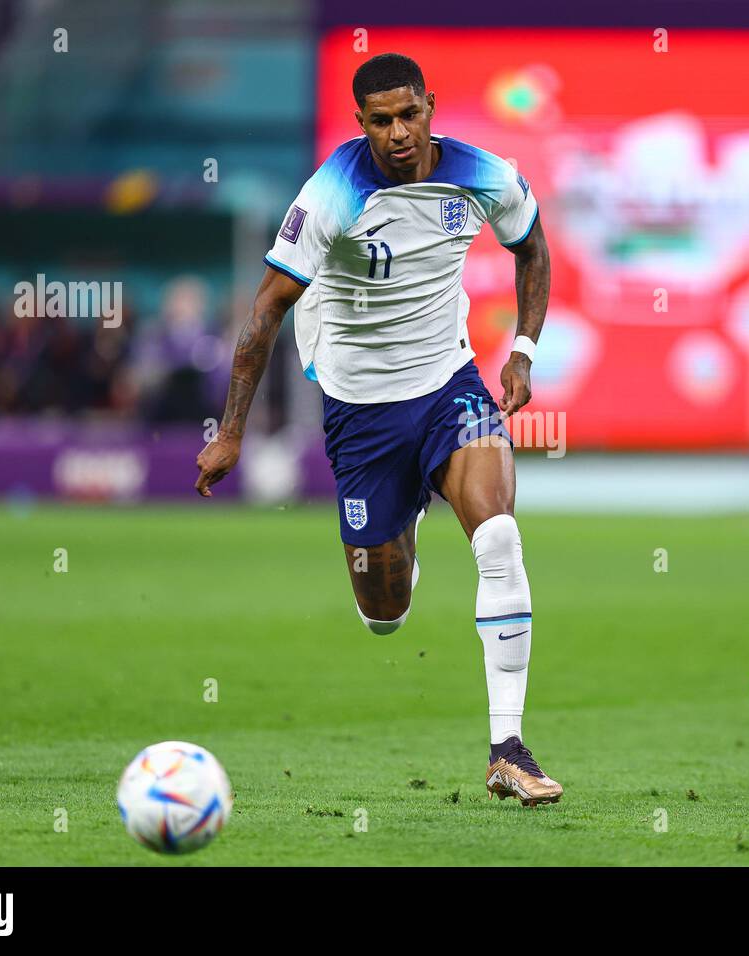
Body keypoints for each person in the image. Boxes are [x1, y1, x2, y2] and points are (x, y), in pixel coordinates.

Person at [193, 53, 560, 806]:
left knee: (498, 538)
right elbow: (265, 311)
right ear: (361, 124)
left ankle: (508, 749)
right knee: (384, 616)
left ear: (431, 104)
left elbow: (531, 247)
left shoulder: (481, 173)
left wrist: (521, 350)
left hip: (449, 387)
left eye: (409, 114)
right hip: (361, 413)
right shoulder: (334, 190)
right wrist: (230, 432)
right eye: (381, 121)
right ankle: (402, 539)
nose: (398, 132)